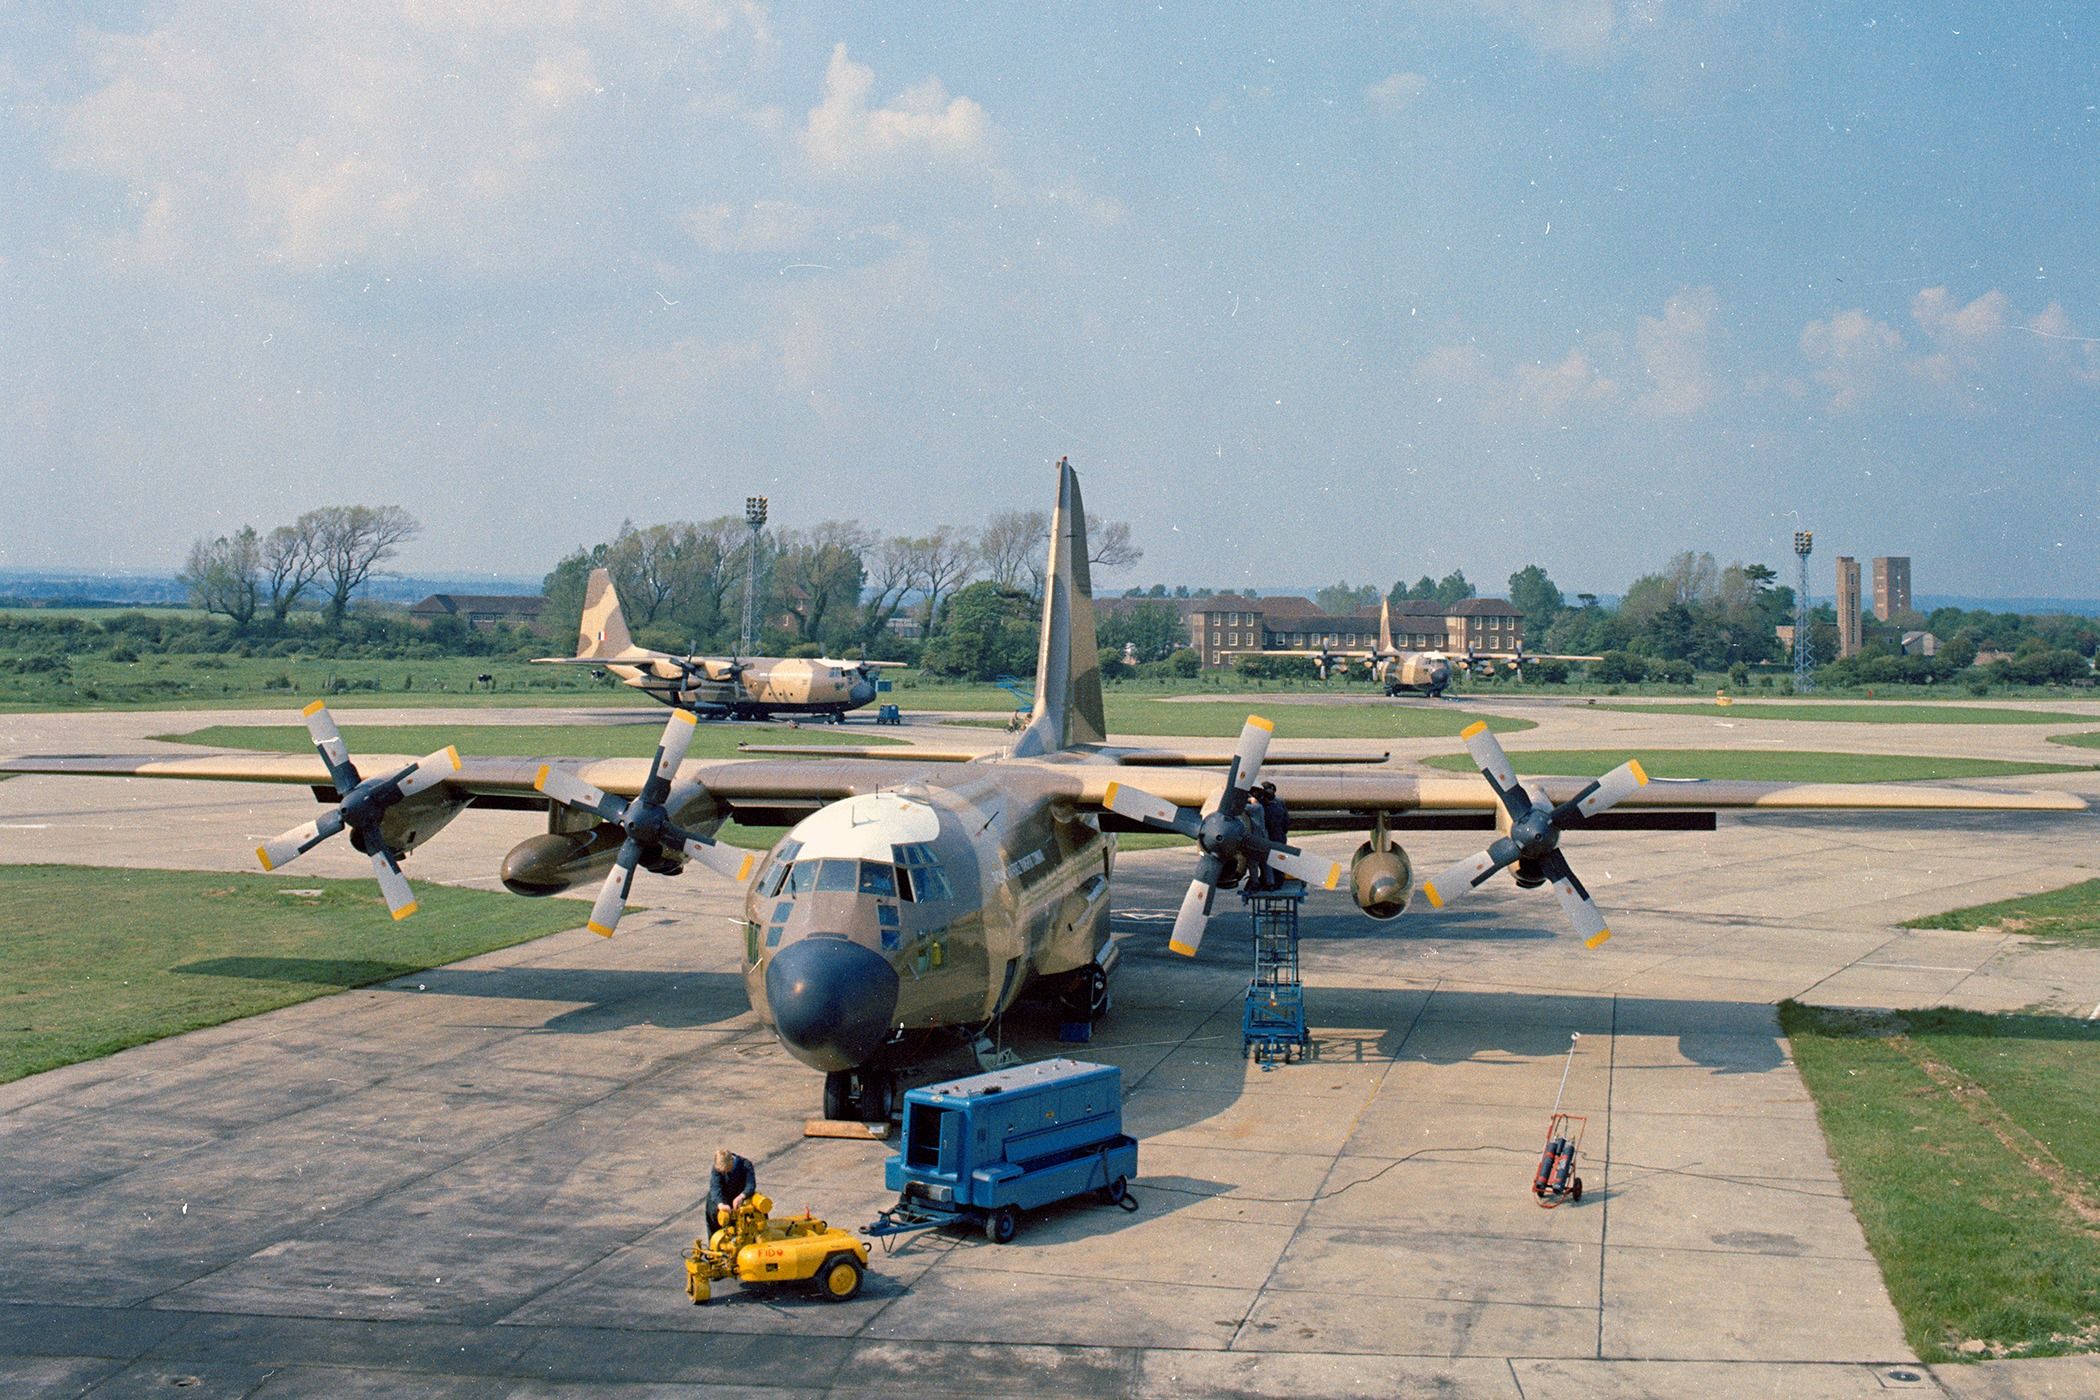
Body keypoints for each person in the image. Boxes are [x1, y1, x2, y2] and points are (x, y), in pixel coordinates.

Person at [707, 1148, 756, 1231]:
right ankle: (715, 1238)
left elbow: (750, 1185)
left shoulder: (745, 1165)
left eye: (726, 1170)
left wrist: (741, 1196)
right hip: (723, 1197)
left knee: (757, 1208)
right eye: (722, 1171)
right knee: (712, 1207)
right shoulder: (717, 1167)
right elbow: (715, 1187)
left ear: (732, 1162)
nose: (725, 1173)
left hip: (741, 1196)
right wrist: (720, 1204)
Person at [1260, 782, 1291, 889]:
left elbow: (1286, 821)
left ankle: (1273, 881)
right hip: (1275, 835)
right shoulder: (1278, 803)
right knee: (1272, 860)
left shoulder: (1262, 805)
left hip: (1274, 835)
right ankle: (1273, 881)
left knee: (1274, 860)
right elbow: (1286, 820)